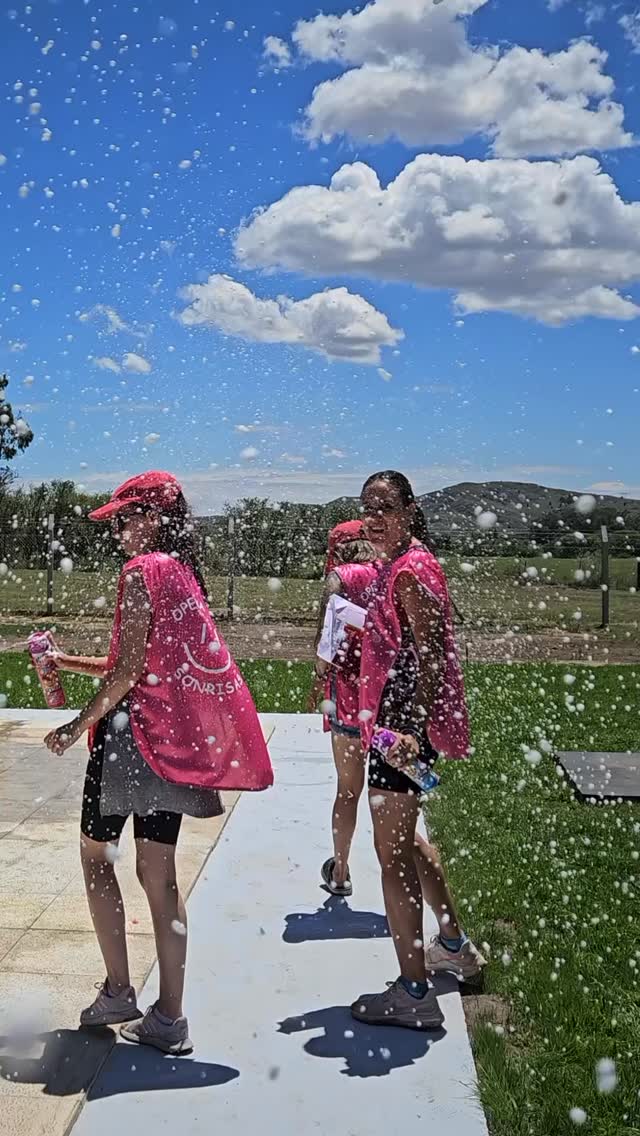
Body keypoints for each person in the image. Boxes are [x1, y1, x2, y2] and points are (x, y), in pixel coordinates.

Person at [43, 471, 273, 1055]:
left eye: (127, 517)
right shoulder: (181, 573)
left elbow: (126, 675)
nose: (119, 530)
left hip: (129, 739)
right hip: (169, 745)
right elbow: (141, 665)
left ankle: (120, 990)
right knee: (160, 877)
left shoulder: (141, 571)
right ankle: (170, 1019)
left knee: (96, 857)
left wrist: (76, 726)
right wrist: (65, 660)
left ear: (155, 519)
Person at [350, 470, 485, 1031]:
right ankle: (453, 947)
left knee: (392, 857)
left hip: (402, 734)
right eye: (367, 509)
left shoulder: (410, 570)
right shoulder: (398, 566)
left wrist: (408, 730)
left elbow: (430, 656)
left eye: (385, 507)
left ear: (410, 509)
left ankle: (413, 993)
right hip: (395, 729)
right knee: (410, 841)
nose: (373, 518)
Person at [310, 523, 377, 897]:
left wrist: (320, 674)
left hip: (350, 702)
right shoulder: (392, 572)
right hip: (386, 702)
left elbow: (327, 645)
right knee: (396, 795)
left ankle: (340, 870)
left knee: (348, 790)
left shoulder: (340, 578)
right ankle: (407, 873)